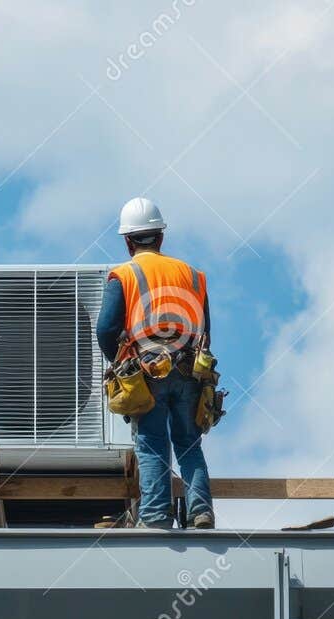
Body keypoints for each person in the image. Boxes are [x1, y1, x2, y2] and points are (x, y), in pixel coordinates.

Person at [95, 197, 215, 529]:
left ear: (128, 240)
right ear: (160, 237)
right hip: (191, 371)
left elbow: (105, 329)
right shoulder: (194, 275)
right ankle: (200, 512)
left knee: (151, 444)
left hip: (147, 372)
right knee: (189, 444)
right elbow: (206, 331)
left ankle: (156, 517)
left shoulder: (123, 274)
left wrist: (121, 366)